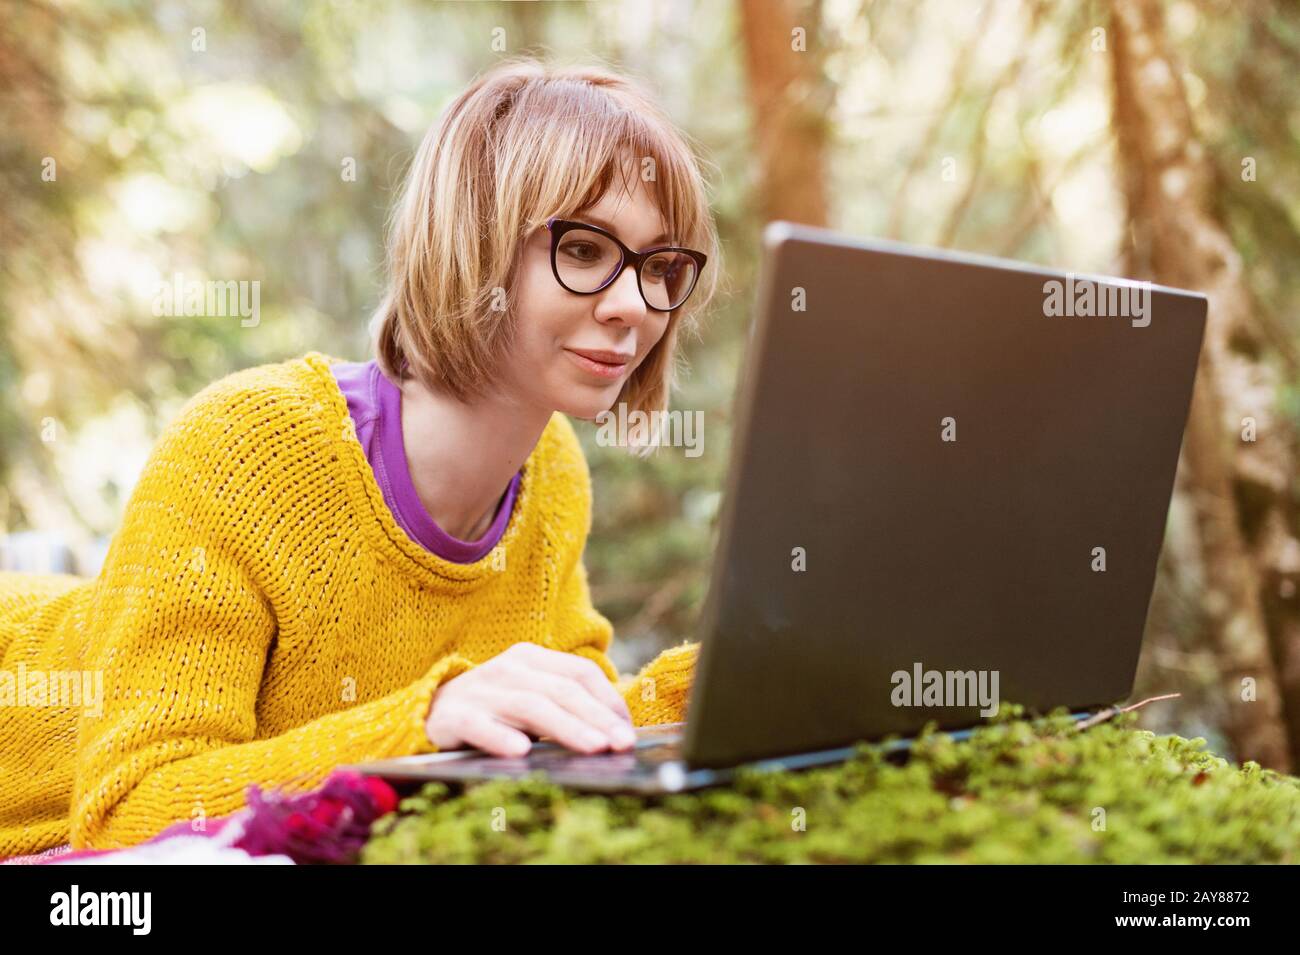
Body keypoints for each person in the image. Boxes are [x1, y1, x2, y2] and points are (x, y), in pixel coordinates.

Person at [0, 55, 718, 856]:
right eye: (585, 251)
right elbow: (128, 809)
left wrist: (735, 674)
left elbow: (578, 712)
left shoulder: (551, 472)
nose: (633, 306)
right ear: (472, 245)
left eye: (660, 267)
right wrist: (426, 720)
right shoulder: (247, 447)